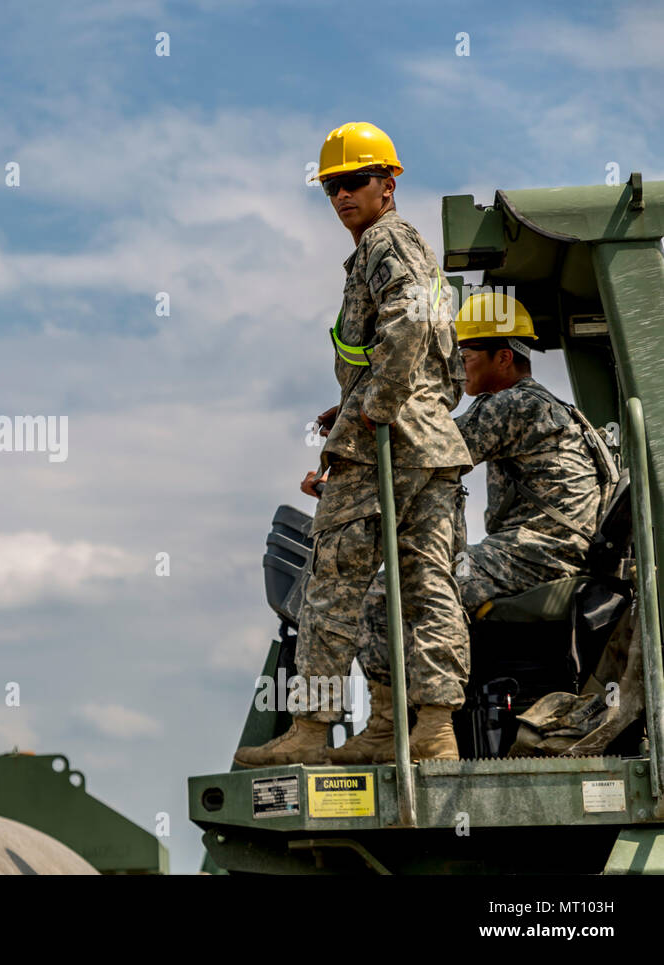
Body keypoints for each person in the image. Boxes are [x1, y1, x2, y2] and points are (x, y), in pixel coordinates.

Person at [235, 122, 472, 767]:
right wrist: (359, 401)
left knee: (332, 581)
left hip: (387, 443)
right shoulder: (408, 246)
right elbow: (433, 359)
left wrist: (372, 411)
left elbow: (409, 324)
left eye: (355, 182)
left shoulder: (385, 241)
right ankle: (428, 732)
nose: (342, 196)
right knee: (425, 586)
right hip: (432, 445)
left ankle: (311, 731)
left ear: (388, 185)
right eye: (332, 187)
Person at [339, 293, 613, 762]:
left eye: (464, 356)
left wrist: (340, 471)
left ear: (503, 357)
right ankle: (417, 724)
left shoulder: (513, 406)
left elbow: (429, 452)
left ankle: (401, 729)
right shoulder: (546, 406)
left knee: (395, 591)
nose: (457, 369)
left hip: (542, 551)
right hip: (553, 548)